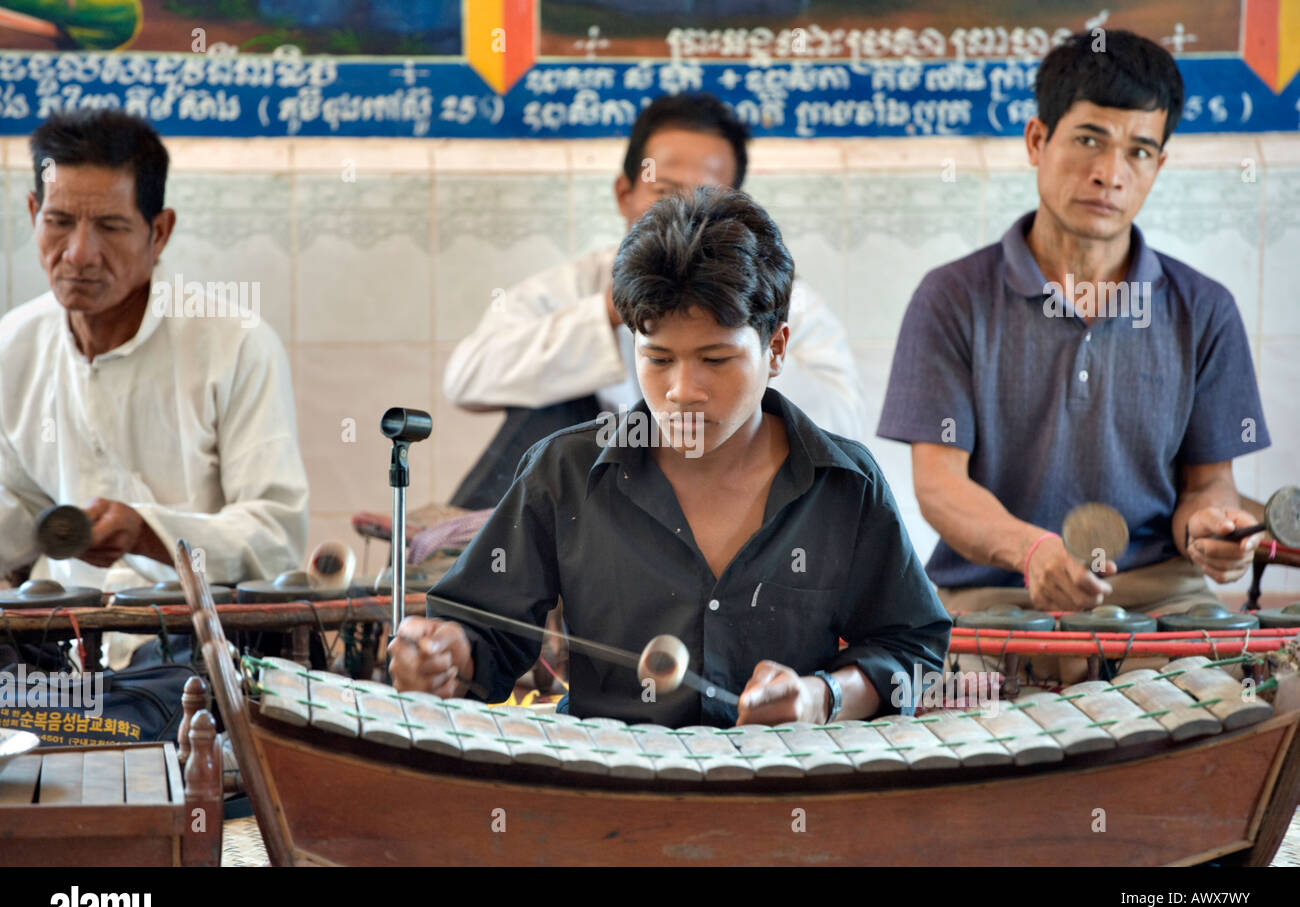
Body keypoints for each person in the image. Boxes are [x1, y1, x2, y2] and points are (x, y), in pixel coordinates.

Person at [390, 187, 949, 729]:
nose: (683, 389)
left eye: (715, 358)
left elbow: (910, 646)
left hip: (782, 792)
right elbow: (481, 629)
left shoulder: (845, 485)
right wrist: (443, 656)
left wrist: (820, 696)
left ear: (775, 350)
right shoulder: (564, 472)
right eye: (658, 358)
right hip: (610, 792)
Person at [877, 30, 1270, 623]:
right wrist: (1031, 550)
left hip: (1161, 593)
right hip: (996, 593)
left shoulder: (1205, 308)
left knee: (1221, 707)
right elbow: (938, 486)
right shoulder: (952, 297)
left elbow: (1208, 484)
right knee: (976, 709)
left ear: (1159, 165)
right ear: (1037, 140)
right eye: (1090, 139)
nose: (1110, 173)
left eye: (1139, 151)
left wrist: (1212, 529)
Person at [442, 92, 868, 509]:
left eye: (707, 197)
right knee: (556, 409)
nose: (684, 214)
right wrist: (605, 314)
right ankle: (470, 557)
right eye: (664, 191)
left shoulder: (785, 300)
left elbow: (841, 425)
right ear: (624, 193)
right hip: (590, 506)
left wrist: (743, 337)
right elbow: (465, 379)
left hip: (725, 493)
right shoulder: (575, 286)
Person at [0, 109, 308, 604]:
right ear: (34, 213)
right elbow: (18, 510)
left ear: (159, 233)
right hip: (63, 645)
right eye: (58, 222)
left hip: (200, 645)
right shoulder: (11, 347)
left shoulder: (237, 345)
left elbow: (276, 537)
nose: (79, 253)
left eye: (110, 226)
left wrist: (150, 531)